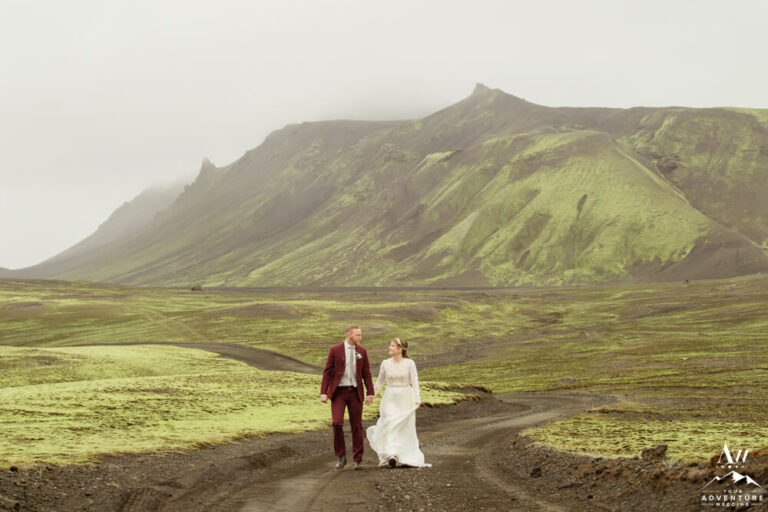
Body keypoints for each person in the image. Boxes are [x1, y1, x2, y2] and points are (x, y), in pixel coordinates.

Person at [366, 337, 430, 468]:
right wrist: (371, 395)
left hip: (405, 397)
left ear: (400, 349)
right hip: (390, 397)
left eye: (392, 346)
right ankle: (391, 454)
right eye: (390, 345)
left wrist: (417, 398)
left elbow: (415, 381)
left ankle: (404, 454)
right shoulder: (385, 363)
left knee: (403, 426)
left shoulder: (409, 363)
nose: (389, 348)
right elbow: (379, 382)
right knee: (390, 423)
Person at [320, 325, 375, 470]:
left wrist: (370, 393)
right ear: (349, 335)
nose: (360, 338)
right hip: (338, 393)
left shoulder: (362, 351)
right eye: (358, 335)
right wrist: (324, 393)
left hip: (355, 393)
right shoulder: (335, 350)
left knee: (357, 426)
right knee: (337, 423)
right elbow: (327, 372)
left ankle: (358, 459)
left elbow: (367, 373)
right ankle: (341, 456)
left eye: (360, 335)